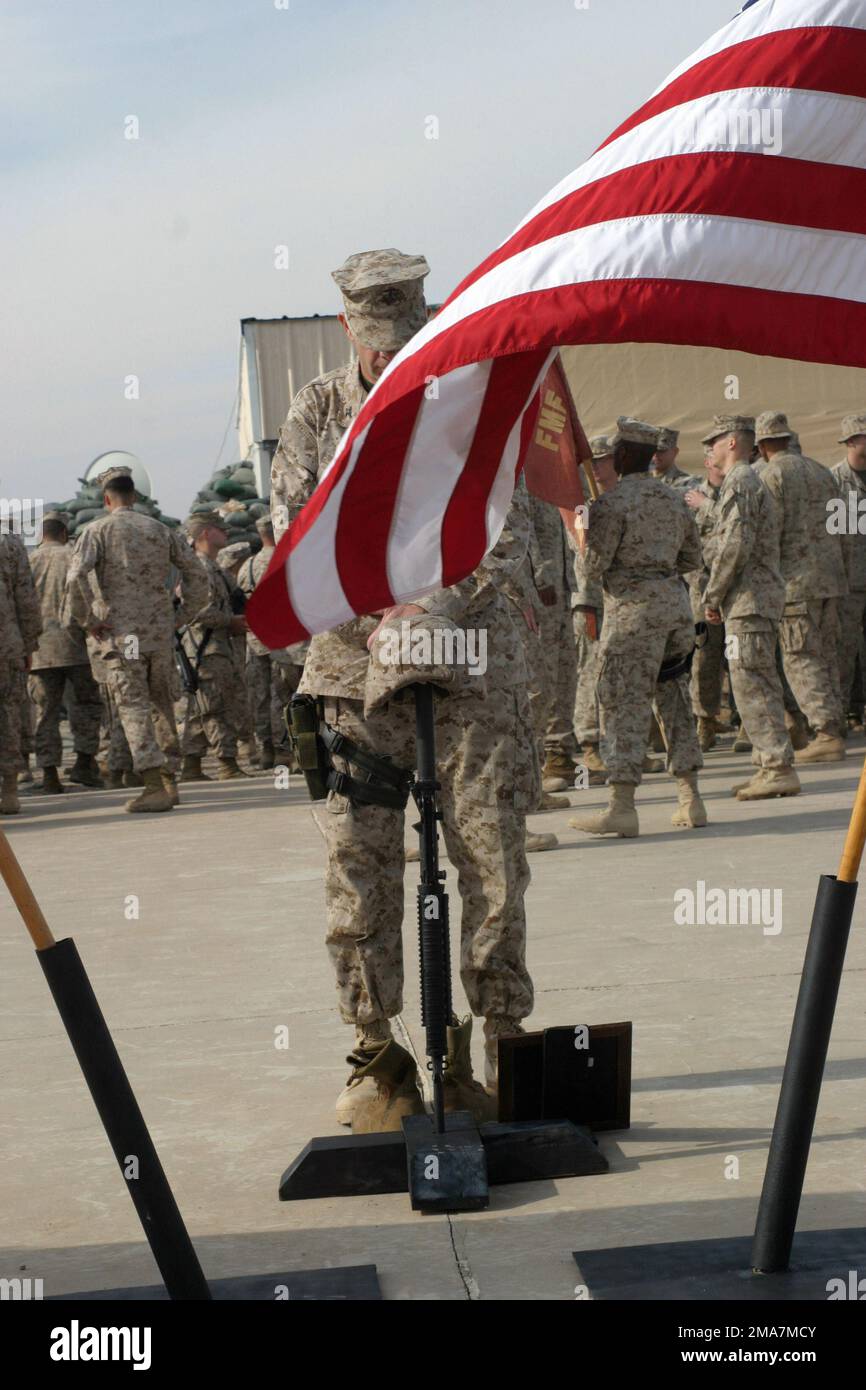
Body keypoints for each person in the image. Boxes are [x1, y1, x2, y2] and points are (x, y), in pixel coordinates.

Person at [271, 248, 535, 1129]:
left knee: (490, 857)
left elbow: (508, 530)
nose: (391, 356)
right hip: (352, 674)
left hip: (464, 665)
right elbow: (295, 529)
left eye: (406, 336)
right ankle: (377, 1054)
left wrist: (429, 607)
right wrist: (371, 612)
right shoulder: (315, 410)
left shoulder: (468, 393)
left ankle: (496, 1043)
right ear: (348, 325)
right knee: (358, 863)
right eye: (376, 339)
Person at [569, 418, 706, 838]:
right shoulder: (673, 499)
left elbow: (594, 567)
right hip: (675, 610)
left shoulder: (612, 504)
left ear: (624, 456)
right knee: (675, 699)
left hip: (632, 615)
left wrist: (581, 538)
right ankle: (690, 798)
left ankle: (623, 806)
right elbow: (692, 559)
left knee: (624, 705)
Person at [64, 466, 209, 811]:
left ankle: (153, 786)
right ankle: (171, 781)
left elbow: (74, 579)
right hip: (159, 633)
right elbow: (196, 574)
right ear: (134, 496)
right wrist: (182, 616)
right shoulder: (160, 530)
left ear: (106, 499)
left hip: (123, 636)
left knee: (133, 706)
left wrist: (89, 621)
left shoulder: (96, 531)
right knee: (164, 703)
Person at [700, 415, 800, 800]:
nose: (709, 449)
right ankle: (767, 763)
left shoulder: (741, 480)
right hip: (748, 601)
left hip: (748, 601)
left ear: (733, 442)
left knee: (752, 684)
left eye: (714, 440)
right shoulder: (744, 480)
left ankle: (777, 765)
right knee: (754, 681)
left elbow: (734, 545)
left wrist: (713, 593)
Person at [754, 411, 847, 763]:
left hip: (795, 584)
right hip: (831, 580)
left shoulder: (770, 475)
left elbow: (768, 533)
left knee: (800, 657)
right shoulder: (822, 471)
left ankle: (824, 732)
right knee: (826, 654)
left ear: (763, 445)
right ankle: (833, 725)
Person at [27, 515, 103, 794]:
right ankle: (84, 763)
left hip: (39, 650)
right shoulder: (75, 556)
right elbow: (93, 597)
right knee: (86, 705)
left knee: (45, 713)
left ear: (41, 535)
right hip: (77, 646)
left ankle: (49, 775)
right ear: (64, 532)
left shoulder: (29, 562)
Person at [179, 515, 251, 781]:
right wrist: (230, 620)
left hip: (215, 646)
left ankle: (192, 765)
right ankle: (226, 763)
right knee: (216, 706)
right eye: (222, 529)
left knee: (203, 707)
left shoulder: (213, 567)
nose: (226, 533)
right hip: (206, 648)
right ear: (207, 534)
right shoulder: (200, 568)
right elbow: (198, 611)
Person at [237, 517, 305, 770]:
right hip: (287, 643)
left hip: (257, 641)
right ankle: (292, 751)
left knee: (261, 697)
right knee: (287, 697)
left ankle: (267, 750)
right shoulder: (290, 560)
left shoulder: (249, 565)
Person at [684, 450, 727, 749]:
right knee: (705, 660)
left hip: (735, 589)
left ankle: (746, 724)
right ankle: (705, 720)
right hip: (703, 589)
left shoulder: (742, 488)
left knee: (739, 657)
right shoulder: (691, 496)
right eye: (710, 455)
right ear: (706, 462)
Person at [0, 530, 41, 815]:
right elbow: (26, 598)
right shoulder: (9, 541)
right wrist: (29, 643)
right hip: (6, 644)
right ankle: (9, 791)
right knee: (8, 715)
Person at [831, 414, 866, 719]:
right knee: (844, 649)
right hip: (849, 583)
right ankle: (839, 713)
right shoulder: (834, 483)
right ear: (852, 442)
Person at [652, 427, 694, 491]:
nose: (655, 455)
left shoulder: (688, 483)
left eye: (661, 451)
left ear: (675, 452)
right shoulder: (639, 478)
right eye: (651, 450)